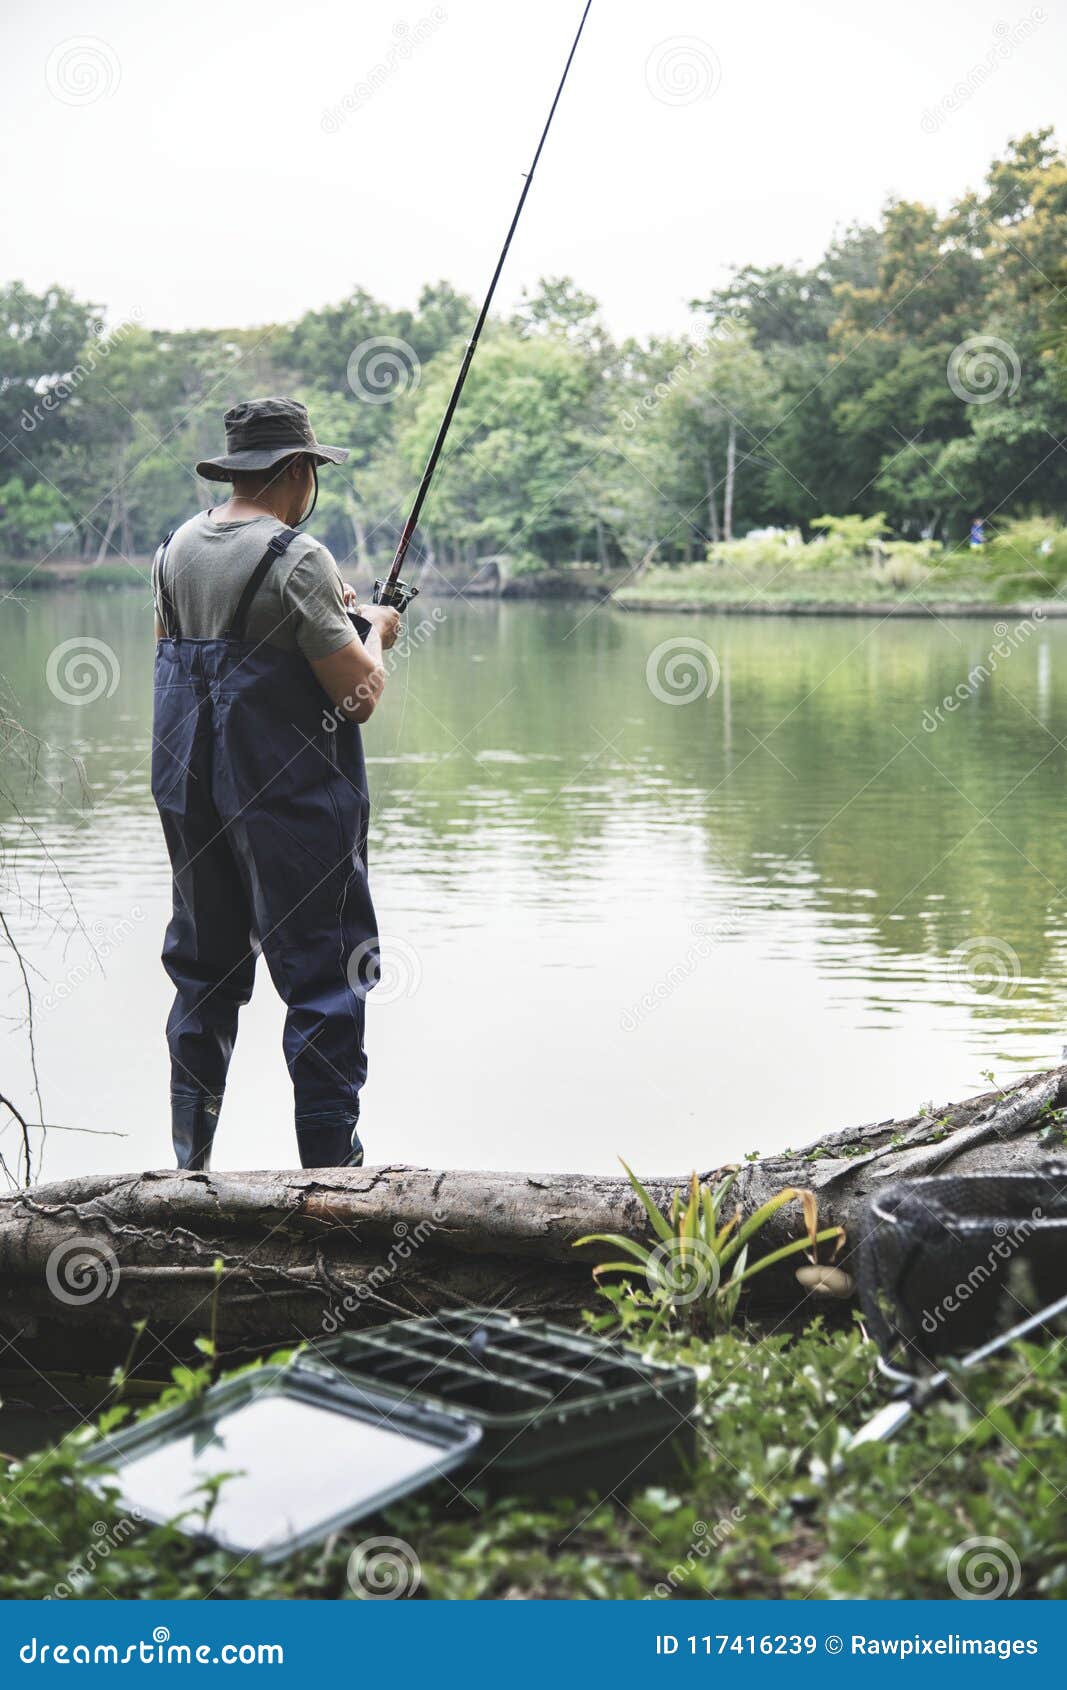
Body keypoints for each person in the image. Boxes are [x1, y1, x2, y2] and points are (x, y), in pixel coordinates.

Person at [150, 398, 401, 1171]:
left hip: (189, 790)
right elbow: (357, 699)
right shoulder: (299, 557)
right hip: (287, 798)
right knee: (326, 977)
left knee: (203, 969)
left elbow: (181, 652)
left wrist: (333, 623)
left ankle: (188, 1172)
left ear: (234, 469)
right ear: (297, 471)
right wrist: (378, 634)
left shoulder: (175, 548)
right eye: (311, 471)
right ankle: (330, 1182)